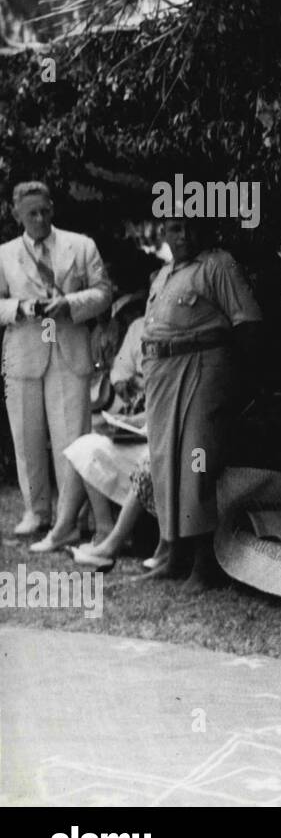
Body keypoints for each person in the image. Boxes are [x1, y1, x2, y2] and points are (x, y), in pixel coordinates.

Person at [141, 218, 262, 592]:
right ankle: (174, 556)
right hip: (162, 374)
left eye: (191, 227)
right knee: (165, 462)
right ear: (163, 232)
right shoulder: (162, 276)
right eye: (175, 228)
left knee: (197, 459)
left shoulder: (217, 264)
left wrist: (240, 384)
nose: (185, 236)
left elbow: (249, 324)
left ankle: (204, 563)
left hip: (203, 369)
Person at [0, 181, 111, 537]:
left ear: (53, 208)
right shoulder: (4, 255)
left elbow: (104, 293)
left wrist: (72, 303)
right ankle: (36, 511)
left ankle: (73, 516)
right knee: (26, 438)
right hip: (24, 350)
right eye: (31, 213)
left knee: (72, 438)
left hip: (68, 347)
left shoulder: (81, 245)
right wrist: (20, 307)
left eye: (45, 211)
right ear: (16, 213)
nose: (39, 218)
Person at [32, 309, 150, 560]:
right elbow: (120, 370)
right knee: (84, 444)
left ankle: (102, 529)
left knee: (92, 448)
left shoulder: (179, 344)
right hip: (140, 416)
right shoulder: (140, 326)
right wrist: (128, 418)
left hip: (155, 441)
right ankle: (67, 527)